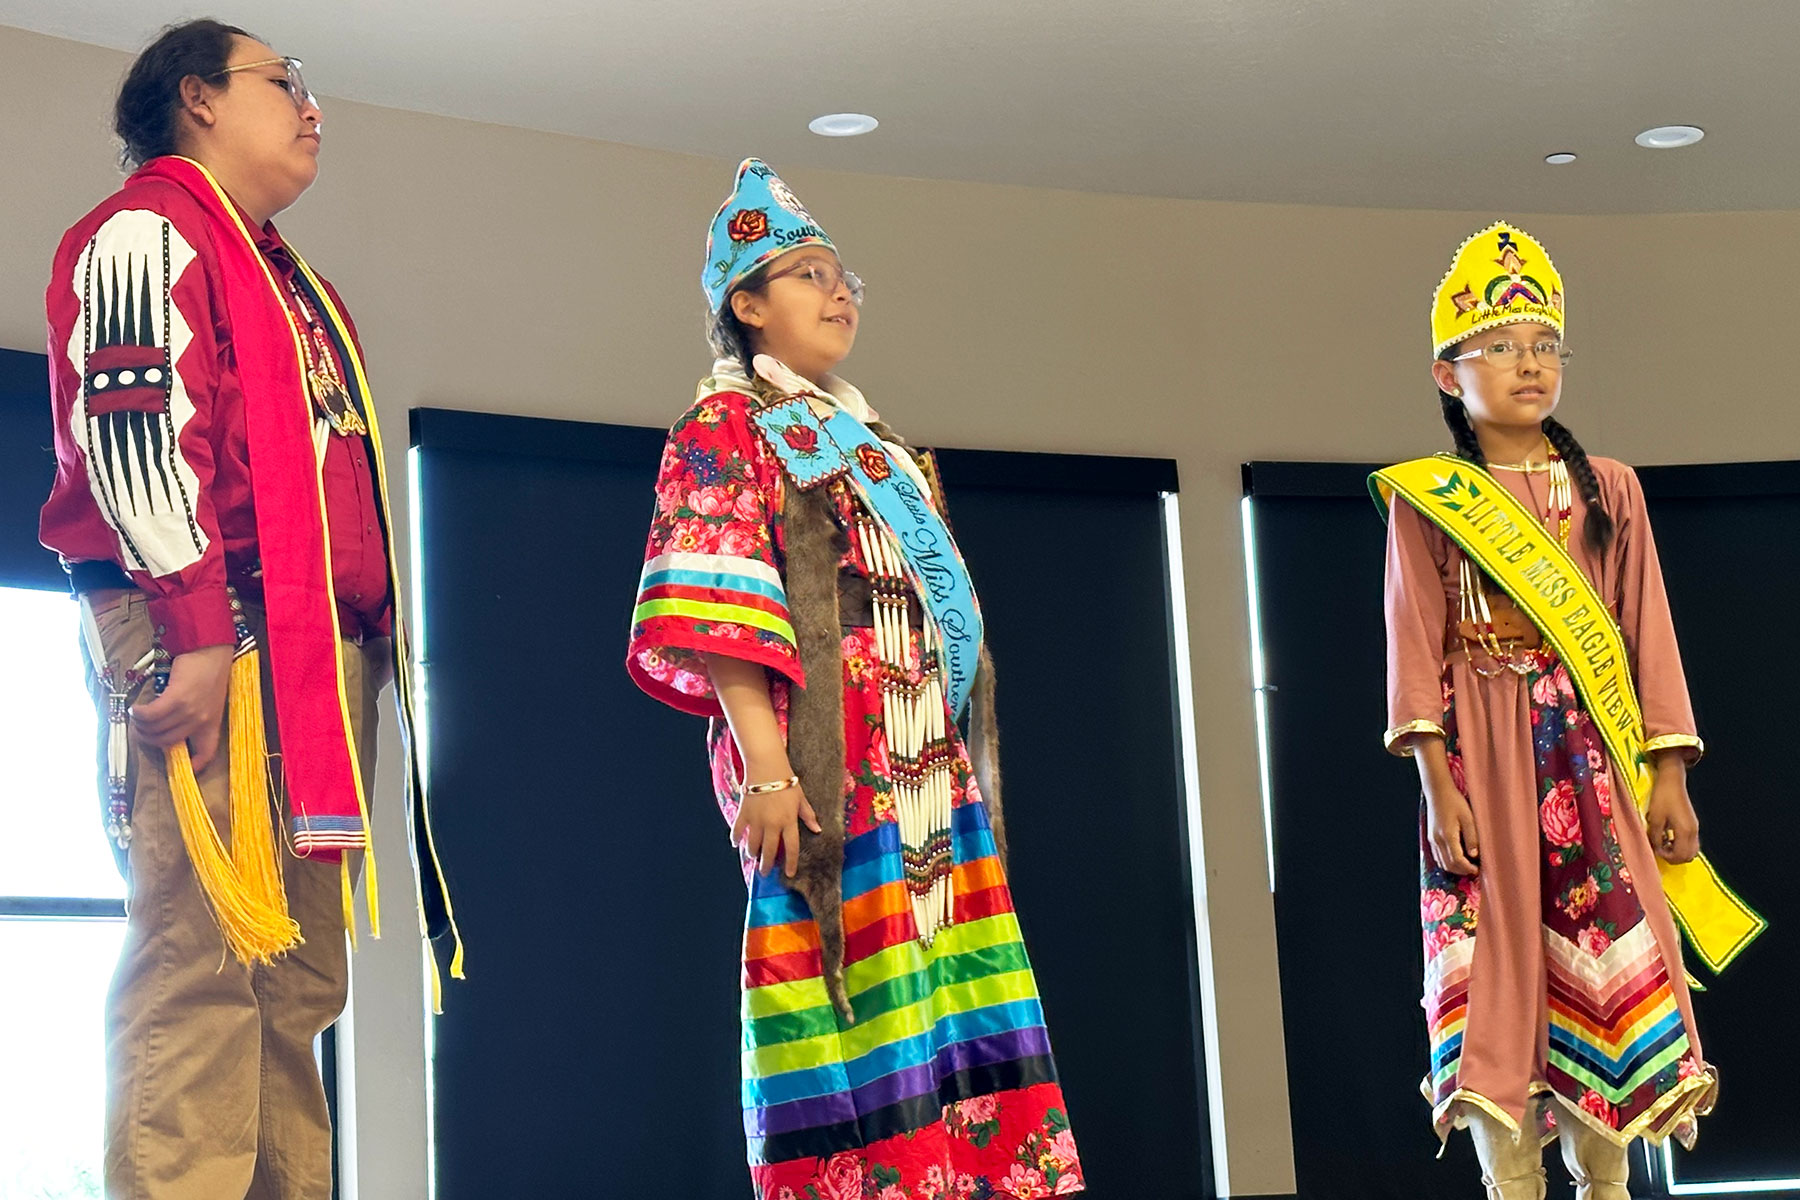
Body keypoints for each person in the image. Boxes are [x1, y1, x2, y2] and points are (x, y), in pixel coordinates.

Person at [39, 19, 459, 1196]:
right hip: (211, 628)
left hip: (310, 652)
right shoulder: (142, 233)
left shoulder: (286, 278)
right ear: (200, 98)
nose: (312, 107)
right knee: (203, 958)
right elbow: (130, 442)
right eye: (285, 82)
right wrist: (196, 633)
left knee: (295, 975)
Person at [626, 158, 1085, 1199]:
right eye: (809, 276)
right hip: (826, 772)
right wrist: (769, 769)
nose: (839, 295)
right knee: (838, 995)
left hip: (923, 761)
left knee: (952, 985)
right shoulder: (724, 427)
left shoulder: (874, 442)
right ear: (746, 305)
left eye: (846, 279)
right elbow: (724, 612)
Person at [1374, 223, 1764, 1200]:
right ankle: (1510, 1183)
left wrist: (1669, 774)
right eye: (1502, 347)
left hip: (1589, 757)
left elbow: (1647, 631)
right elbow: (1413, 644)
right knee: (1493, 968)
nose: (1529, 364)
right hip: (1477, 761)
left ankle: (1608, 1181)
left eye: (1545, 345)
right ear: (1448, 372)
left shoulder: (1610, 489)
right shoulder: (1431, 499)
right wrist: (1436, 788)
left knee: (1602, 966)